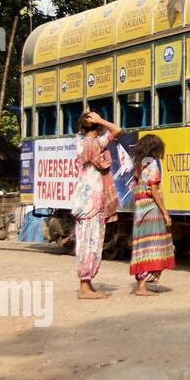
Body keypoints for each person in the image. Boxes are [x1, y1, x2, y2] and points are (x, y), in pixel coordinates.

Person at [69, 110, 122, 299]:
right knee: (90, 242)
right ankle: (84, 287)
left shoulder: (81, 142)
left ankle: (87, 284)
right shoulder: (93, 144)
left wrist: (95, 121)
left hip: (88, 199)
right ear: (96, 125)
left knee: (90, 241)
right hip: (91, 200)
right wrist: (101, 120)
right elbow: (117, 129)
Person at [129, 133, 175, 296]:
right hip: (151, 211)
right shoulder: (153, 165)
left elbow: (135, 186)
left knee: (143, 247)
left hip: (140, 211)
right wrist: (165, 212)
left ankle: (141, 283)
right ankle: (142, 286)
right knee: (155, 247)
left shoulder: (138, 165)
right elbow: (154, 191)